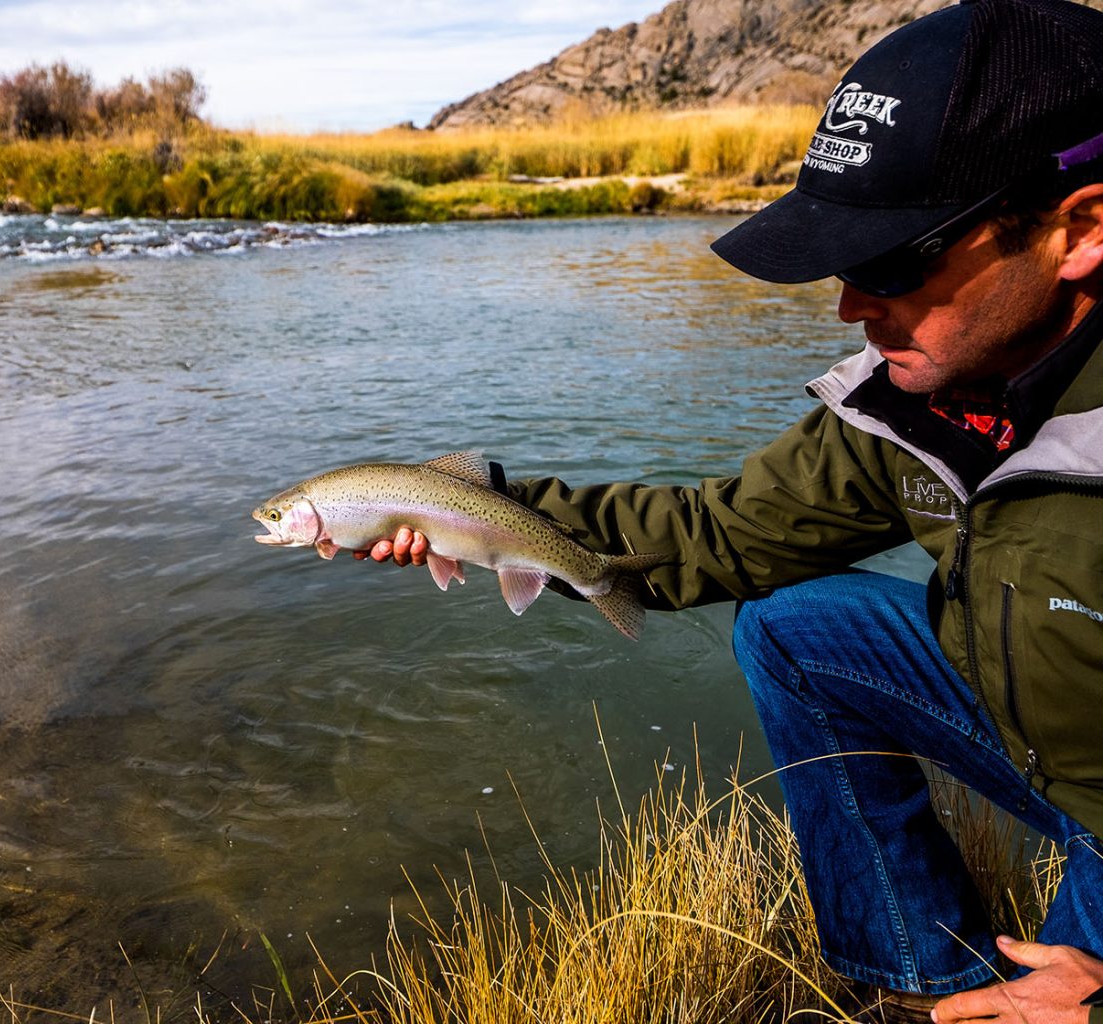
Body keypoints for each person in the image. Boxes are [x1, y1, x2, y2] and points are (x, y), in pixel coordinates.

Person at [359, 1, 1103, 1020]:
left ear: (1084, 229)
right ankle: (922, 985)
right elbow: (716, 536)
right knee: (797, 627)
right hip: (1055, 739)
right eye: (842, 263)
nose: (848, 305)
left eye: (891, 263)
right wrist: (477, 508)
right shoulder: (919, 397)